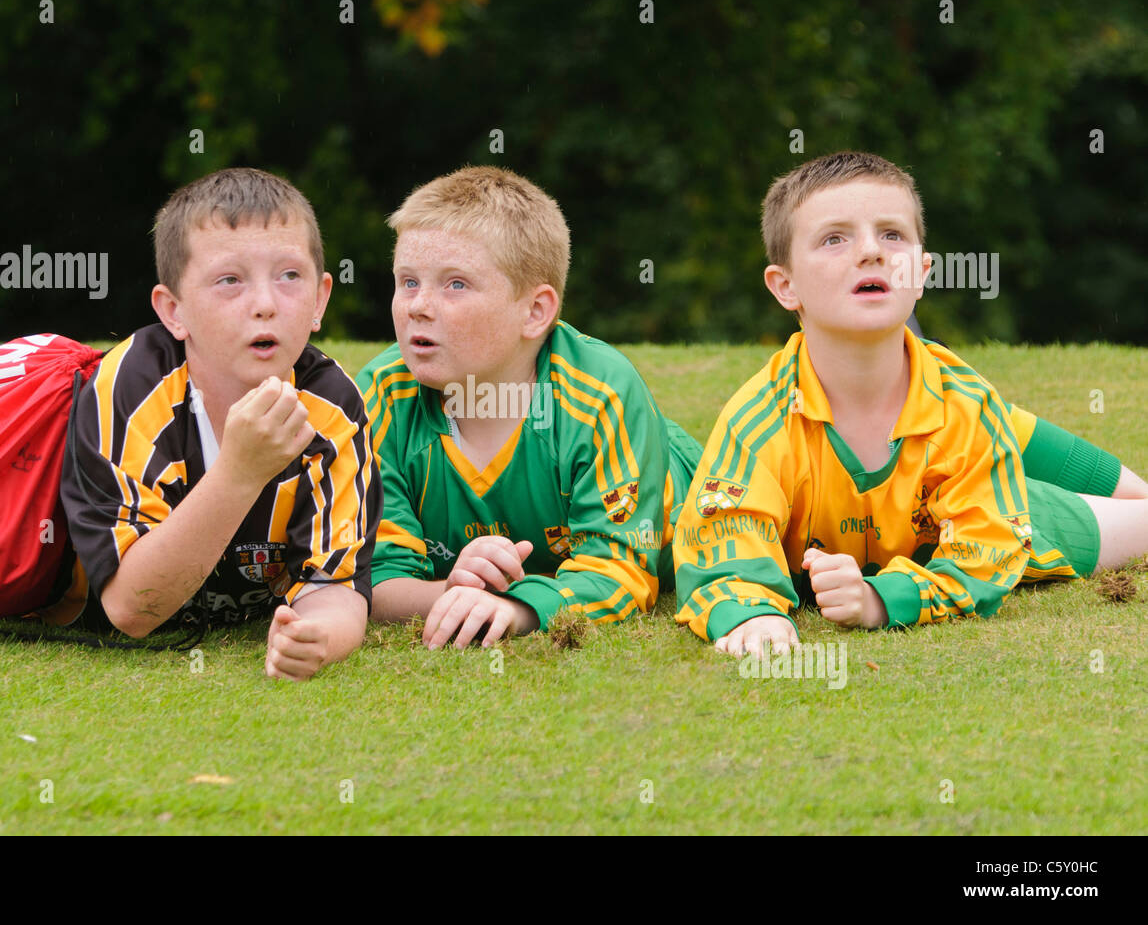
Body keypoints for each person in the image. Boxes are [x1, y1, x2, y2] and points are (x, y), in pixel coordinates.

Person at [0, 168, 381, 681]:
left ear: (320, 299)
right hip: (55, 555)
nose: (265, 304)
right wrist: (240, 472)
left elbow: (336, 587)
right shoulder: (131, 387)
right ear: (173, 312)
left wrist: (319, 636)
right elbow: (133, 609)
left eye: (289, 276)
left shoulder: (333, 408)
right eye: (229, 281)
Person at [674, 151, 1148, 655]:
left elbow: (982, 558)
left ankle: (1029, 454)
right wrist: (752, 612)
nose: (871, 252)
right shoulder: (760, 417)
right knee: (977, 416)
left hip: (1011, 510)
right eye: (835, 238)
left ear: (920, 274)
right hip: (962, 437)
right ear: (785, 285)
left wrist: (878, 599)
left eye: (892, 235)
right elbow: (725, 533)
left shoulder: (968, 406)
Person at [357, 166, 701, 649]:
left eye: (455, 284)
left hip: (681, 486)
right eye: (408, 282)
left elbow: (619, 571)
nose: (418, 306)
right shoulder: (379, 396)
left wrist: (516, 607)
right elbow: (378, 577)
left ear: (536, 312)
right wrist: (450, 593)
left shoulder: (601, 393)